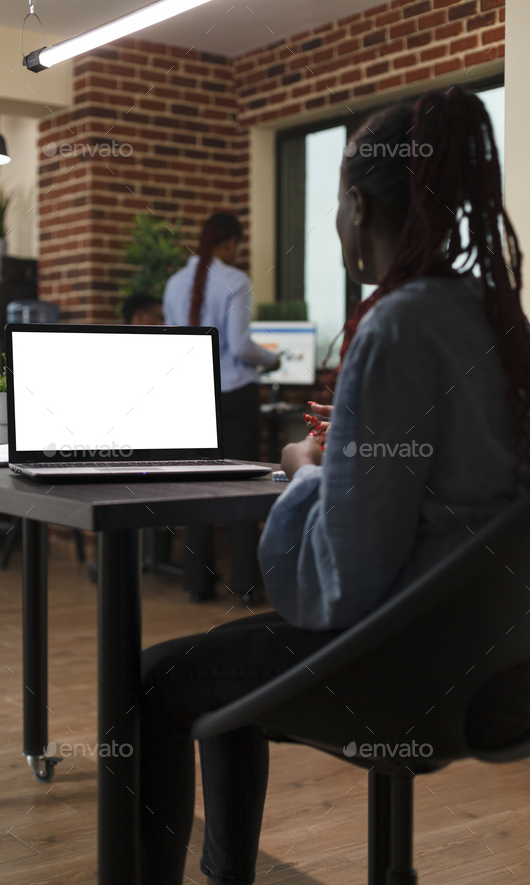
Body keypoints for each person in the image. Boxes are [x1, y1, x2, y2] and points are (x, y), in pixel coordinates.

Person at [139, 87, 530, 885]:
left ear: (354, 203)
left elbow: (337, 585)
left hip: (403, 672)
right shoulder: (493, 314)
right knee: (221, 657)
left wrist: (306, 471)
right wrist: (343, 461)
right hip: (498, 673)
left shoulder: (396, 324)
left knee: (152, 681)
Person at [163, 212, 280, 604]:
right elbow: (241, 346)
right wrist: (273, 360)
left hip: (193, 399)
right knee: (242, 488)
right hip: (235, 395)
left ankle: (199, 582)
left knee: (201, 489)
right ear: (229, 243)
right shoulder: (236, 280)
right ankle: (246, 584)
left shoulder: (174, 284)